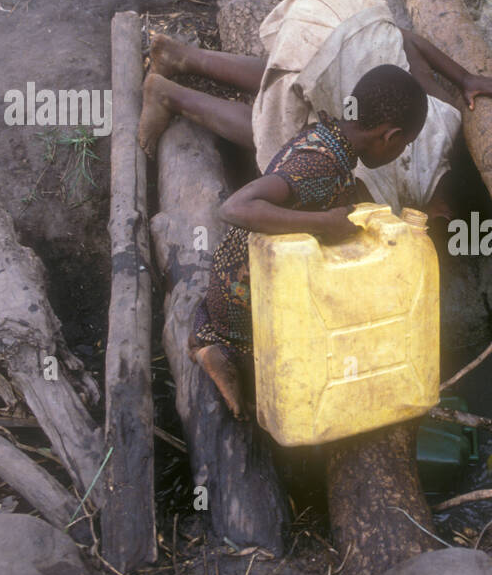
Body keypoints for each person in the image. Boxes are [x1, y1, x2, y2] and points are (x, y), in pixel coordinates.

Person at [137, 0, 492, 224]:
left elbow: (407, 41)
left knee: (297, 79)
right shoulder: (383, 187)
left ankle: (179, 56)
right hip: (323, 36)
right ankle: (169, 94)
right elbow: (238, 209)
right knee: (280, 129)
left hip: (342, 11)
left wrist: (465, 79)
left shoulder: (443, 114)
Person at [179, 64, 429, 420]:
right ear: (390, 136)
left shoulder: (329, 139)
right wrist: (324, 223)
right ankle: (223, 355)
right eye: (404, 146)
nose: (400, 153)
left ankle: (213, 344)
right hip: (244, 296)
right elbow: (235, 208)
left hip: (227, 285)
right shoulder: (320, 164)